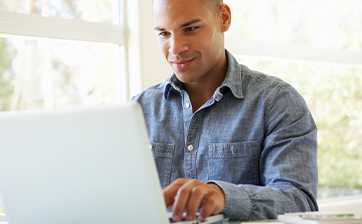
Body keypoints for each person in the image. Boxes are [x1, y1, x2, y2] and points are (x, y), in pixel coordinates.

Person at [131, 0, 318, 222]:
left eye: (190, 29)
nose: (175, 48)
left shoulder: (278, 102)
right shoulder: (138, 109)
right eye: (164, 33)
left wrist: (224, 196)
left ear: (224, 18)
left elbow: (300, 201)